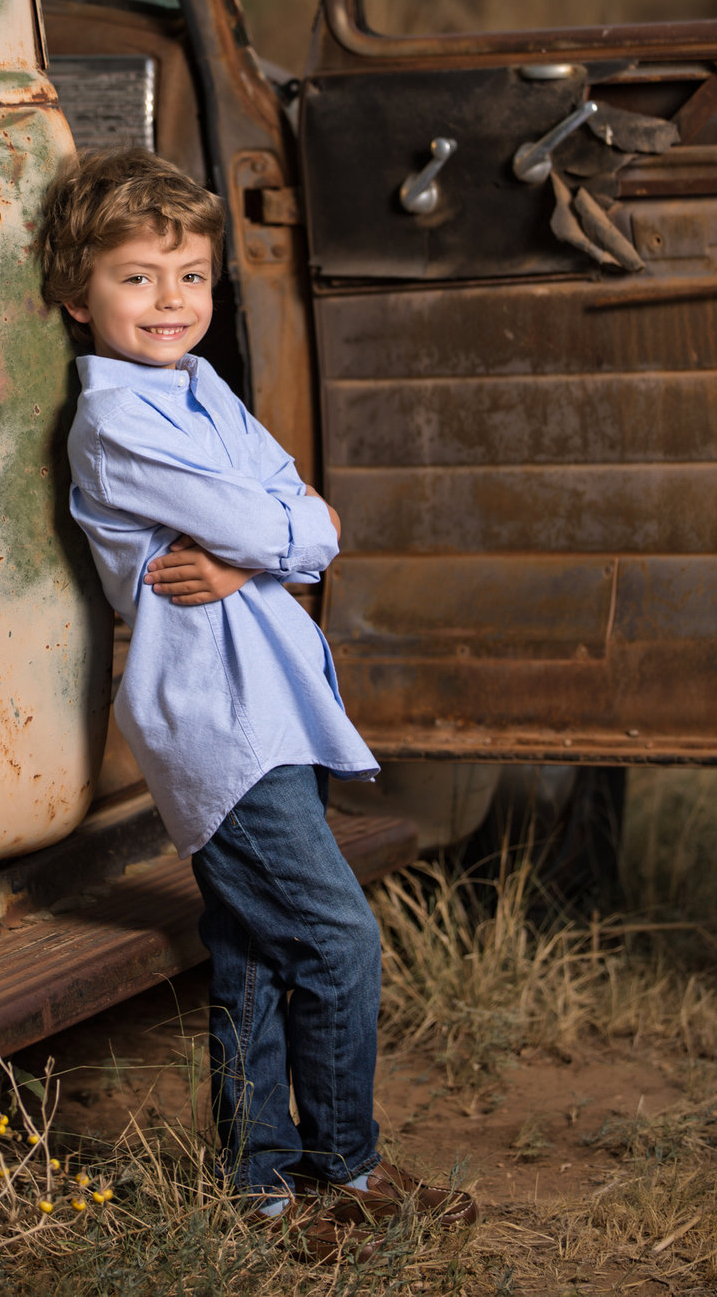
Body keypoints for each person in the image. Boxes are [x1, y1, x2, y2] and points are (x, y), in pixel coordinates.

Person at [39, 147, 476, 1259]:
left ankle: (261, 1191)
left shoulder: (201, 387)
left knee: (254, 952)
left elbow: (312, 523)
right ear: (76, 293)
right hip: (217, 721)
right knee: (337, 941)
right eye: (137, 277)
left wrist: (257, 550)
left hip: (276, 705)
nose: (170, 300)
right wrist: (276, 538)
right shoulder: (118, 422)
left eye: (190, 275)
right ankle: (346, 1170)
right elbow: (289, 521)